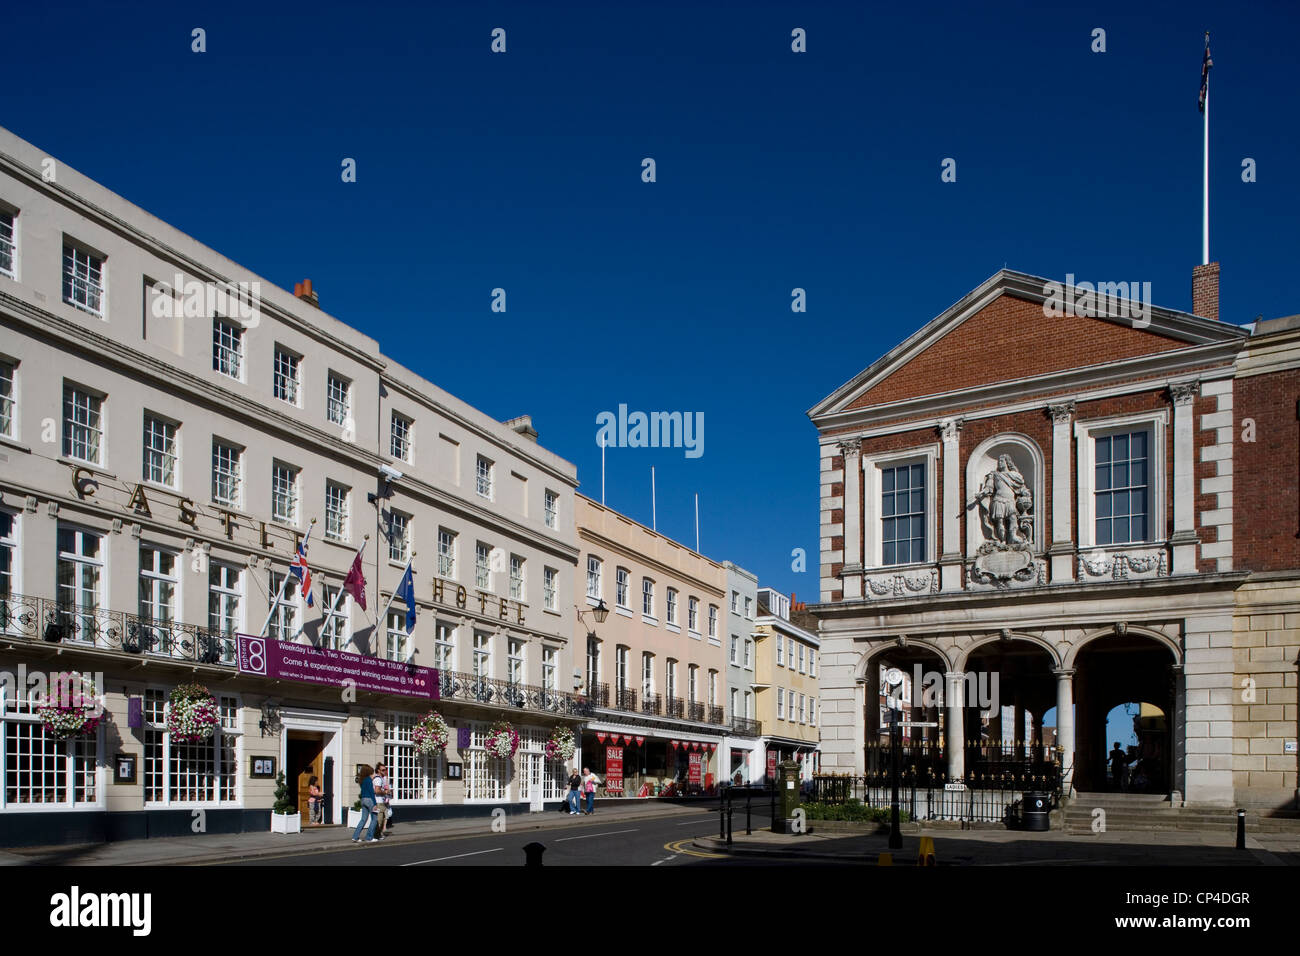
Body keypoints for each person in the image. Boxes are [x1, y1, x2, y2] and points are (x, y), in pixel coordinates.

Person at [351, 764, 378, 843]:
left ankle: (355, 836)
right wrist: (375, 804)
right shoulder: (369, 780)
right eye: (372, 772)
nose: (373, 774)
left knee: (363, 819)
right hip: (369, 800)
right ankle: (369, 837)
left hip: (363, 800)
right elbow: (371, 792)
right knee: (374, 819)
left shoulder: (362, 780)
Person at [372, 762, 392, 839]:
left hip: (381, 801)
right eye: (383, 770)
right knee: (379, 820)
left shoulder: (380, 779)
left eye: (385, 769)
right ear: (378, 770)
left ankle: (378, 835)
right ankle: (374, 836)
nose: (385, 771)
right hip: (378, 802)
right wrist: (385, 792)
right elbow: (377, 791)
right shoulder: (378, 779)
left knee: (382, 819)